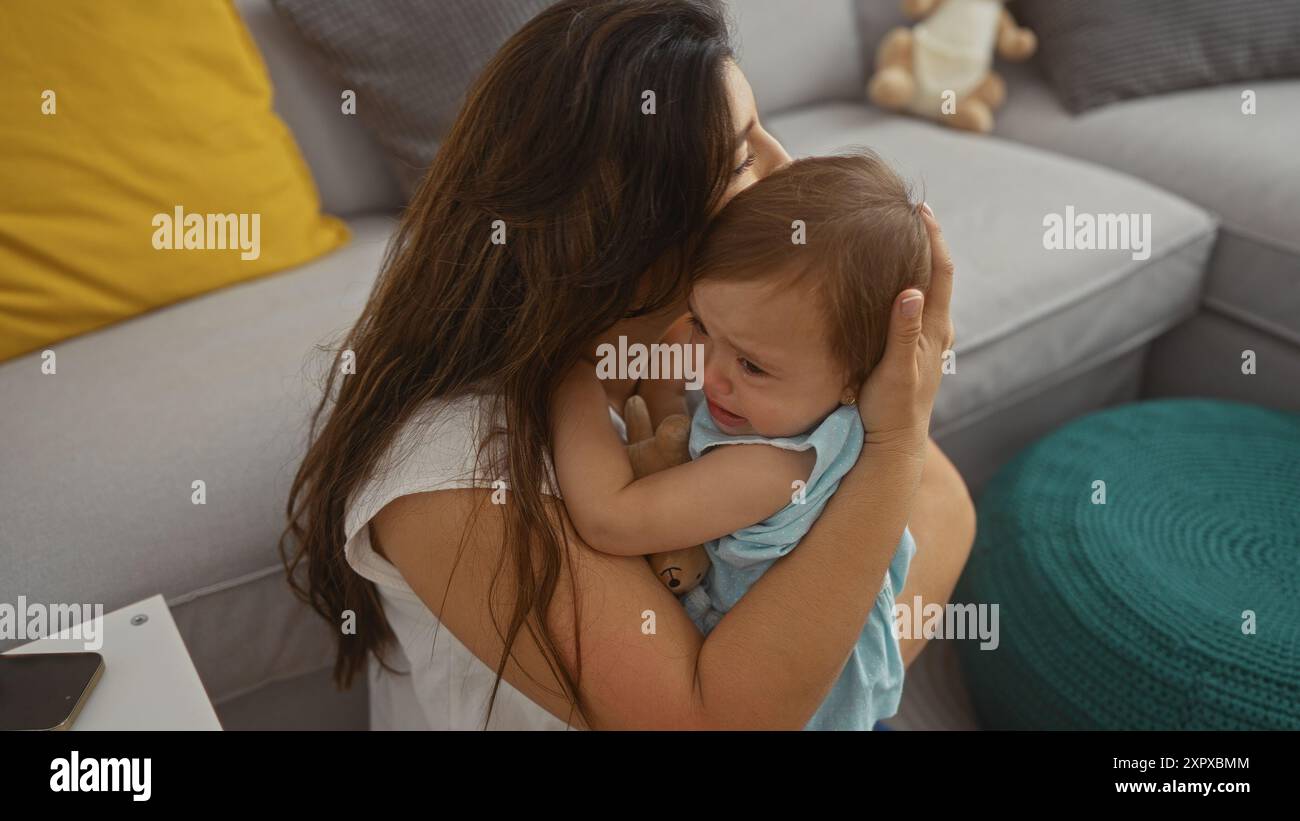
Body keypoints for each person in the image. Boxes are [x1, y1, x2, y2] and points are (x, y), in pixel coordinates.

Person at [280, 0, 974, 731]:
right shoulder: (450, 473)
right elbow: (710, 720)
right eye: (742, 157)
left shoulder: (705, 343)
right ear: (627, 232)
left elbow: (946, 503)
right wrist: (889, 455)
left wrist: (814, 685)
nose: (785, 168)